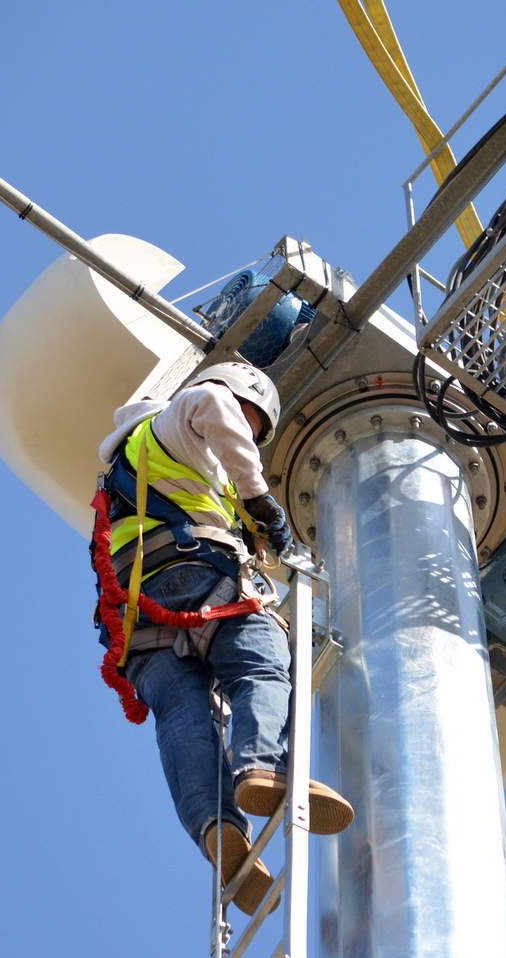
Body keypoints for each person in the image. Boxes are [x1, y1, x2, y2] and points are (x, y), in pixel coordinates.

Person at [92, 361, 353, 916]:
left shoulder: (147, 464)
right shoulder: (183, 415)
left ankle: (214, 823)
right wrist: (260, 498)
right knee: (261, 666)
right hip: (199, 576)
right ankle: (263, 765)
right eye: (249, 418)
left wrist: (249, 517)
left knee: (184, 719)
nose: (245, 431)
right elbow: (214, 405)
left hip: (141, 618)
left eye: (255, 429)